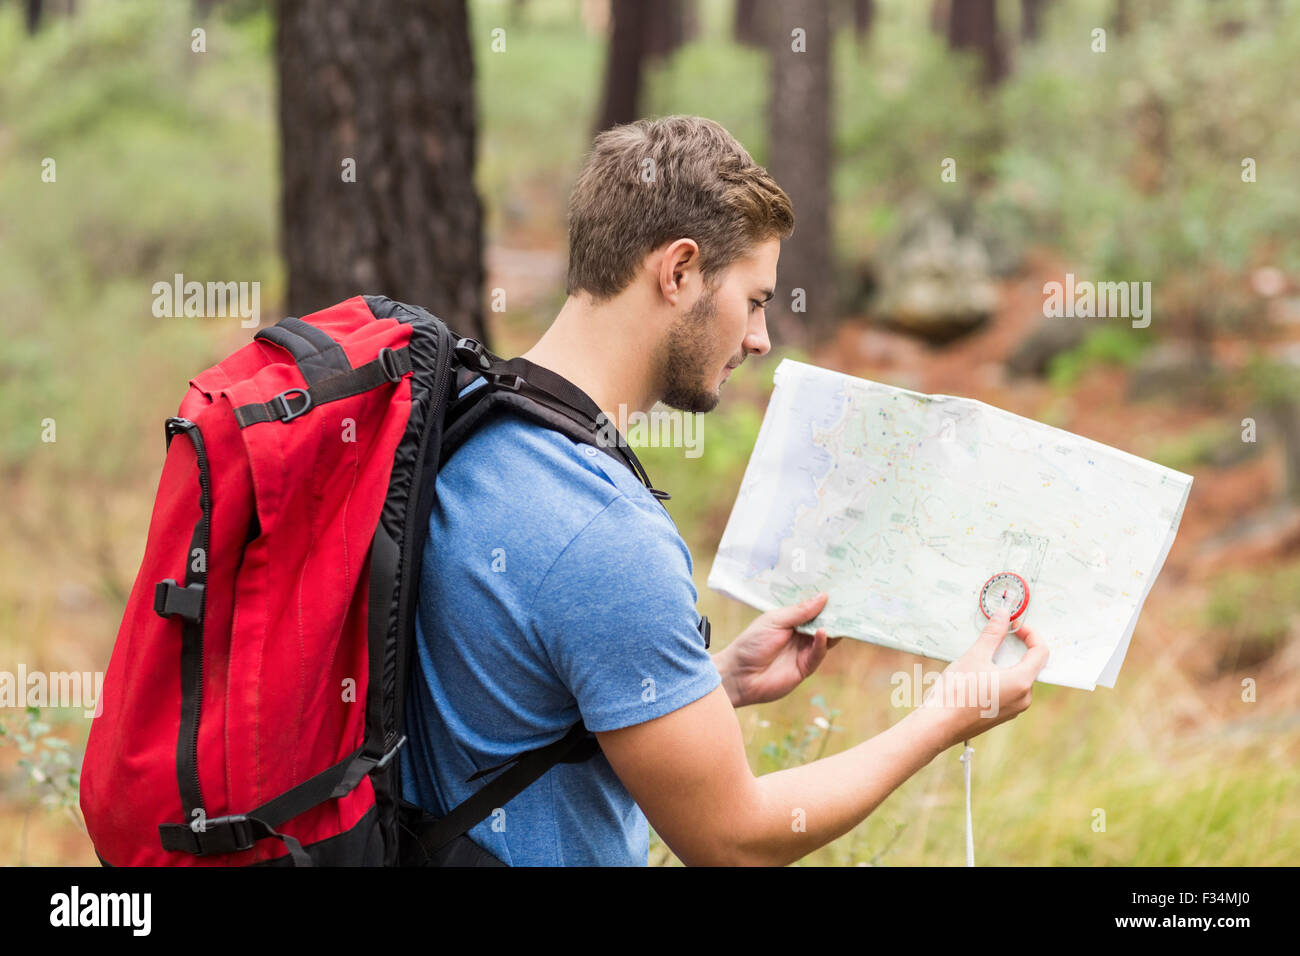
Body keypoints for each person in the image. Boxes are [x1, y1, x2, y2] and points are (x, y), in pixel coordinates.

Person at [400, 114, 1049, 866]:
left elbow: (512, 701)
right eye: (756, 299)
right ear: (678, 272)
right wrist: (944, 716)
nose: (760, 337)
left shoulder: (467, 421)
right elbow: (733, 840)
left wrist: (714, 684)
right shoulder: (602, 531)